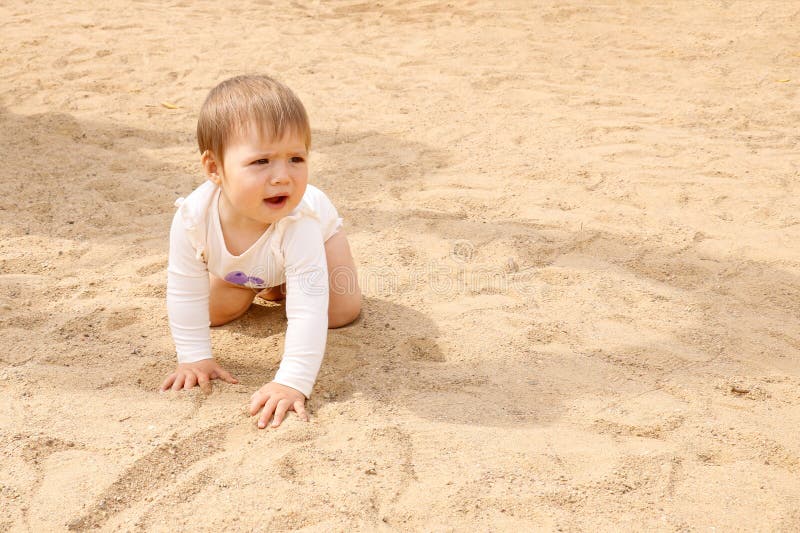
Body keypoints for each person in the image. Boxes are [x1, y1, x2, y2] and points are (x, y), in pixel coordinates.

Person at [159, 74, 361, 429]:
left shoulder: (302, 221)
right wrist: (194, 358)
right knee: (213, 313)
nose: (283, 176)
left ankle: (278, 282)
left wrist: (291, 381)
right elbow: (183, 288)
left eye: (296, 159)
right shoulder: (193, 217)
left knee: (340, 311)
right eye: (261, 162)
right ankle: (263, 282)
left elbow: (310, 310)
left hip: (319, 246)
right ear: (214, 169)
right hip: (245, 267)